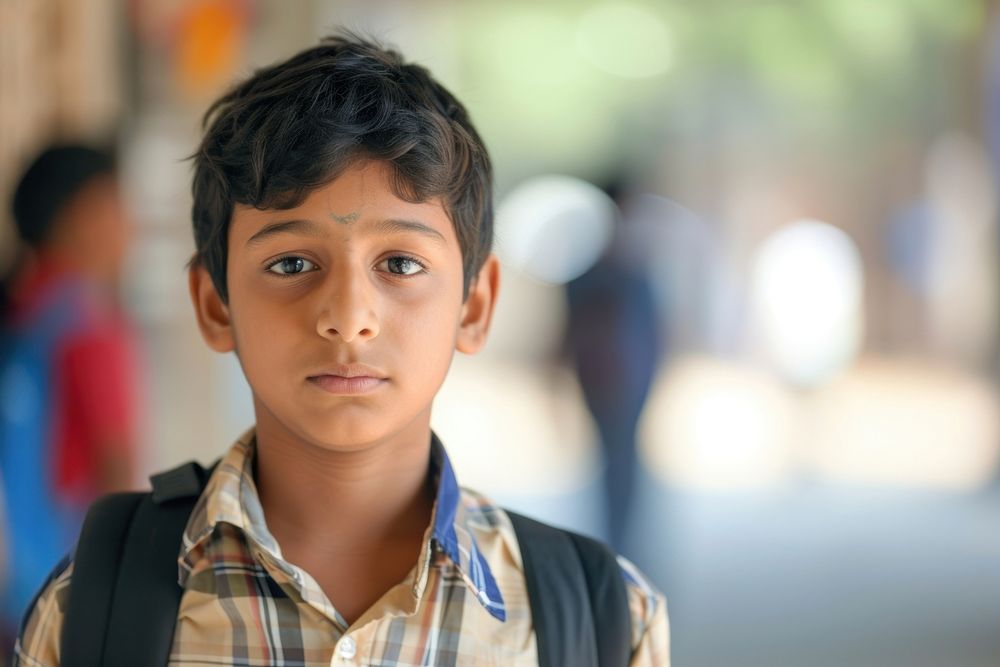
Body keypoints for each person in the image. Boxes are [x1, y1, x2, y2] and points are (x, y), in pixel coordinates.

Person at [15, 35, 669, 665]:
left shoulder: (602, 618)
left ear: (473, 304)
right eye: (293, 261)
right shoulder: (87, 613)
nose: (349, 318)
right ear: (216, 304)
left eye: (401, 264)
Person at [0, 145, 139, 651]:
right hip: (58, 582)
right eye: (116, 206)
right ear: (80, 216)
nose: (129, 227)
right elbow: (115, 471)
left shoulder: (24, 306)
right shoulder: (87, 324)